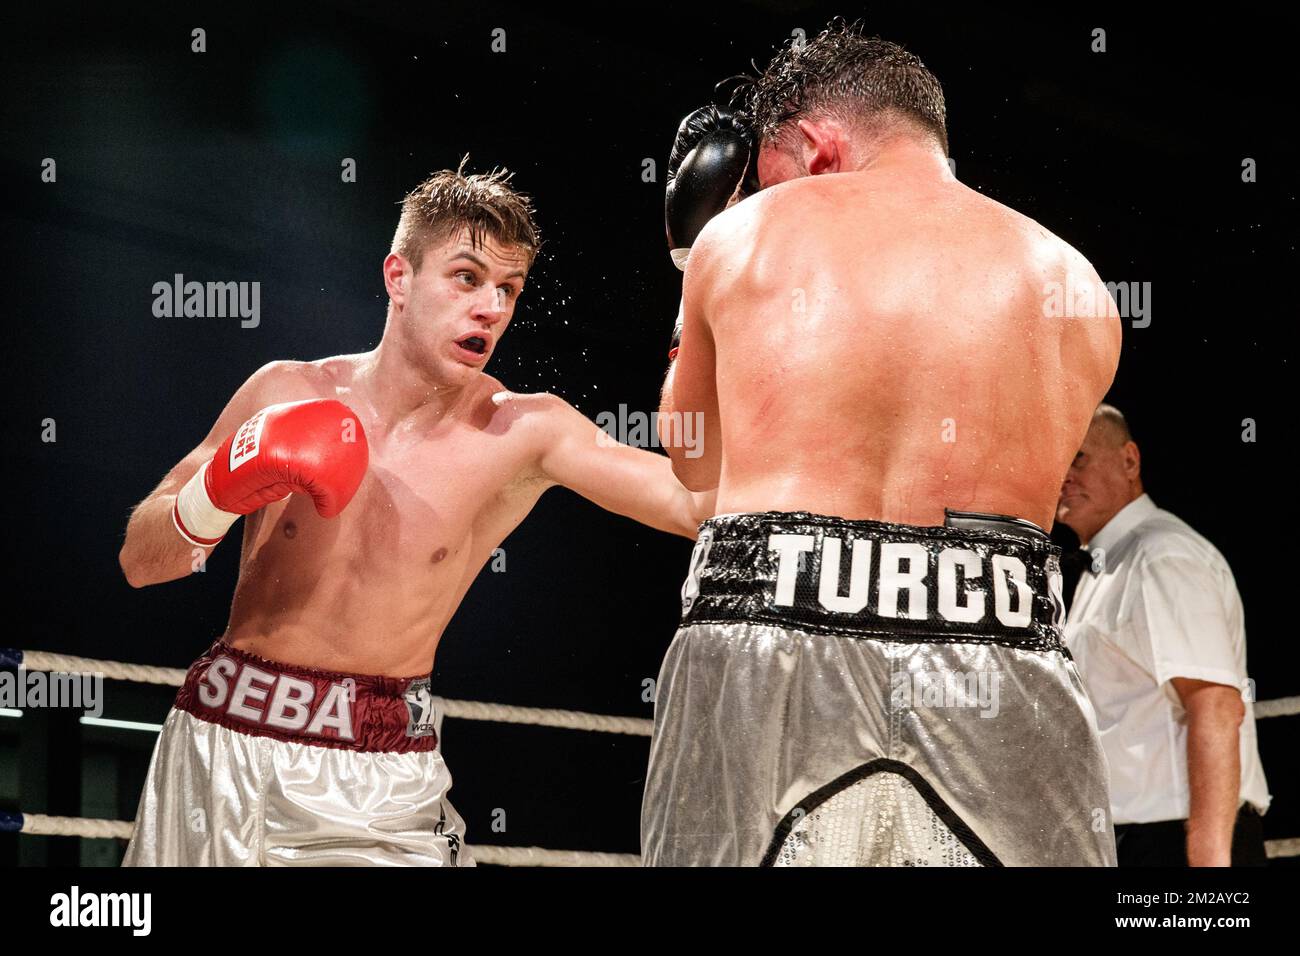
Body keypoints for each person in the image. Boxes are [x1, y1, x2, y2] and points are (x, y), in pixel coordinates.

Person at [118, 161, 709, 866]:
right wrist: (217, 488)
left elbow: (694, 503)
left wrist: (703, 293)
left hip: (374, 785)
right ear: (399, 277)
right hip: (216, 748)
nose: (491, 307)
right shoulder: (287, 389)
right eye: (467, 278)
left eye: (508, 290)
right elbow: (140, 562)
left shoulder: (524, 431)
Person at [643, 20, 1121, 866]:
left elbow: (693, 461)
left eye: (767, 172)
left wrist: (692, 279)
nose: (765, 193)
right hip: (1003, 646)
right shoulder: (1074, 283)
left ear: (814, 146)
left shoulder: (742, 237)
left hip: (773, 636)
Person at [1058, 404, 1270, 866]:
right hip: (1139, 838)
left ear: (1130, 461)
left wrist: (1209, 868)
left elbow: (1214, 705)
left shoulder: (1160, 556)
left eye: (1078, 458)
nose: (1064, 476)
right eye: (1057, 462)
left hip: (1174, 841)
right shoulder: (1110, 563)